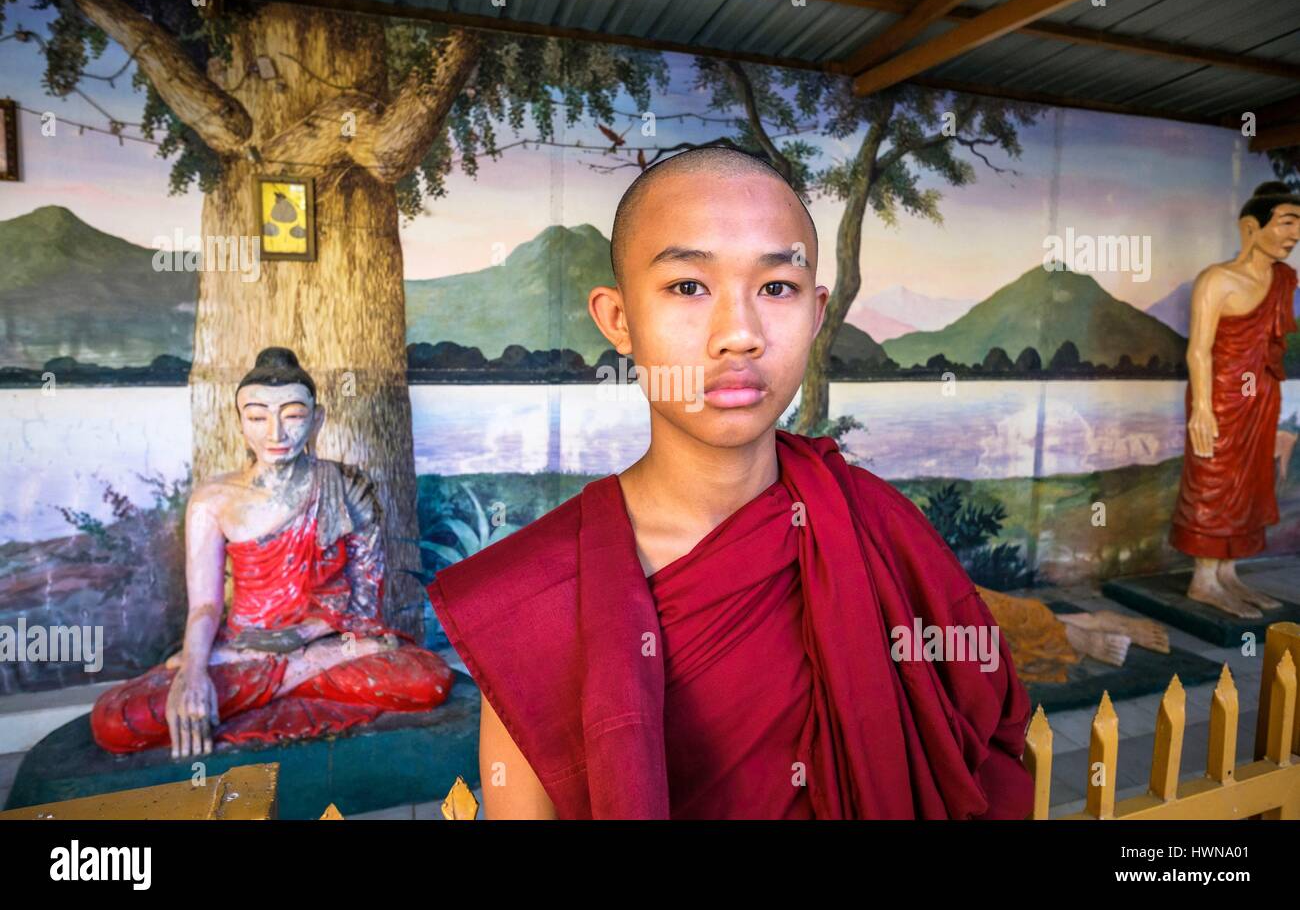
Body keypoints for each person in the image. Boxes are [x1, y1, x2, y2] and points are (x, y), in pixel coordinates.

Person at [427, 147, 1034, 819]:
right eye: (689, 286)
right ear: (618, 320)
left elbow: (986, 732)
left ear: (816, 313)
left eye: (777, 288)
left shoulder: (874, 525)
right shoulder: (536, 598)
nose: (739, 334)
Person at [92, 347, 454, 757]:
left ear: (317, 419)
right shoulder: (213, 500)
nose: (275, 433)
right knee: (116, 719)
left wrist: (308, 642)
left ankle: (278, 679)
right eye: (258, 416)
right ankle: (287, 678)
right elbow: (205, 607)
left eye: (293, 415)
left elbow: (365, 606)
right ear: (241, 423)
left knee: (428, 678)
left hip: (327, 644)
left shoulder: (346, 487)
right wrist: (193, 673)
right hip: (244, 647)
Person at [1170, 181, 1299, 617]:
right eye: (1286, 222)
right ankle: (1203, 579)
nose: (1294, 235)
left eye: (1299, 226)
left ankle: (1228, 574)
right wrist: (1202, 409)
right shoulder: (1217, 280)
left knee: (1250, 482)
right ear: (1251, 226)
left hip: (1260, 396)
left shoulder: (1282, 279)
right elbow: (1198, 349)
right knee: (1212, 481)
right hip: (1220, 398)